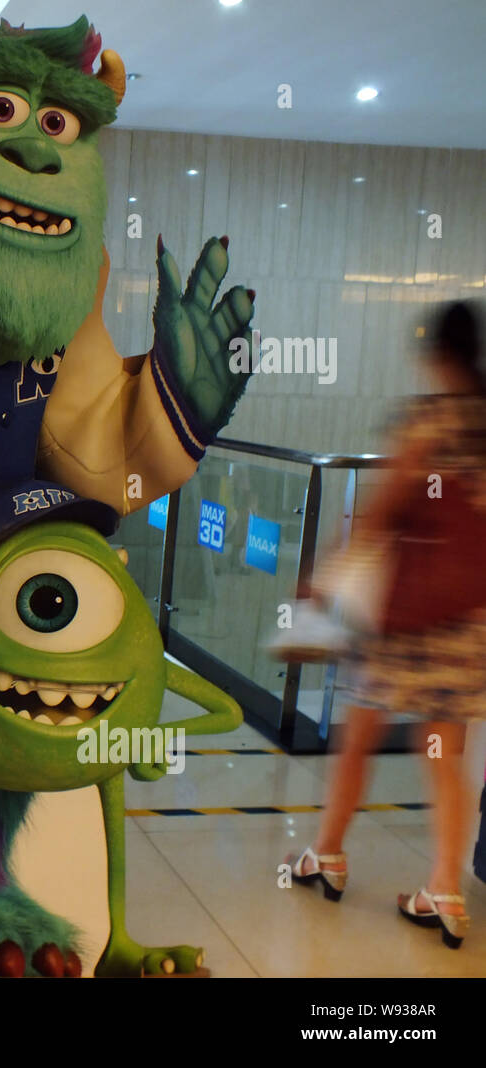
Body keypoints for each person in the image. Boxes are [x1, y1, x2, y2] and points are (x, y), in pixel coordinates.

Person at [285, 302, 486, 949]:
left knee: (358, 734)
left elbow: (384, 509)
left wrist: (325, 574)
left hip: (406, 622)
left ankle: (328, 855)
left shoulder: (430, 420)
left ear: (435, 353)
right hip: (470, 625)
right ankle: (445, 891)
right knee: (442, 757)